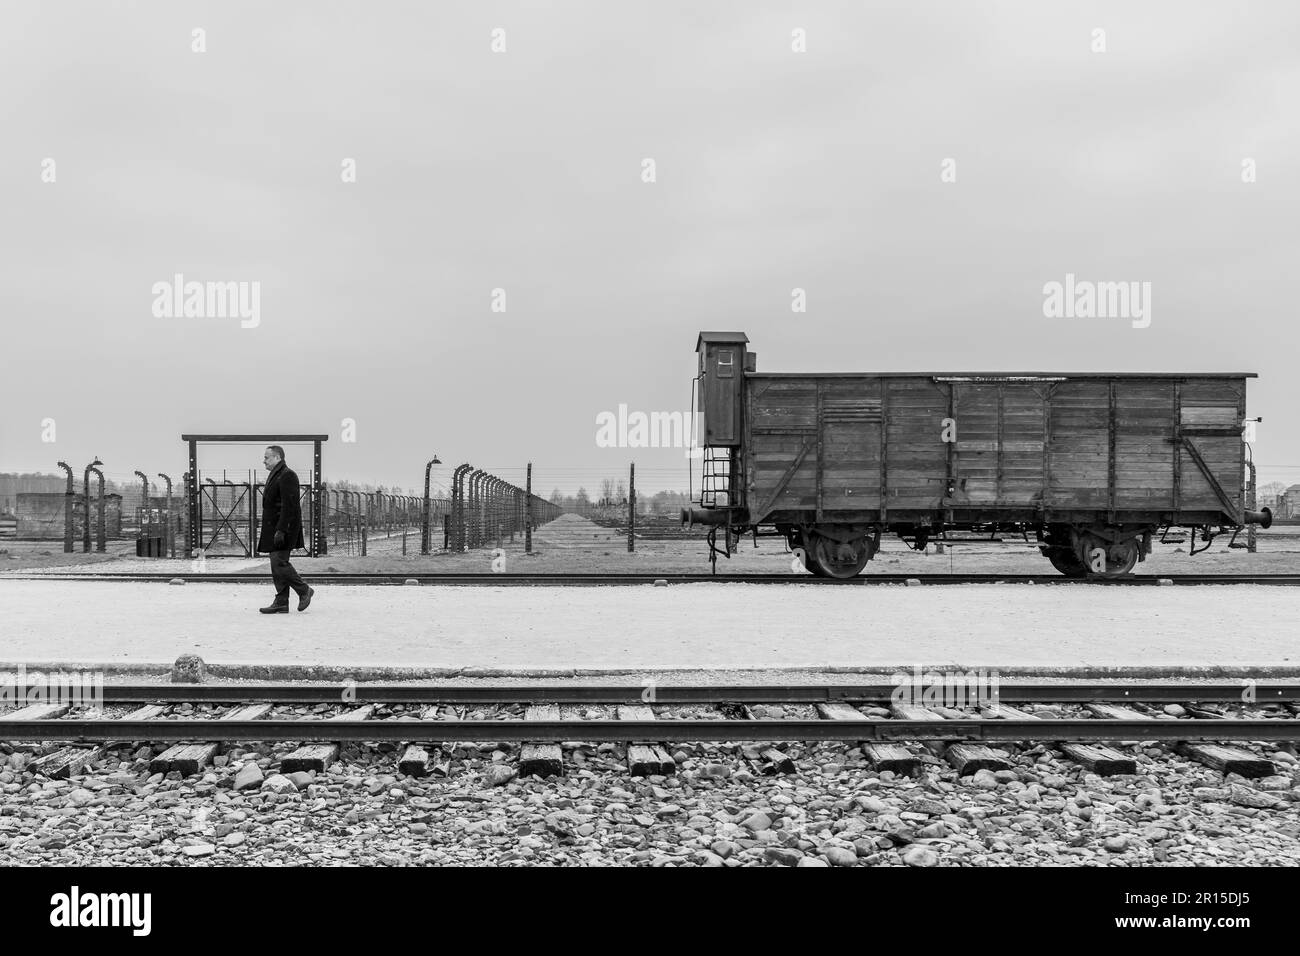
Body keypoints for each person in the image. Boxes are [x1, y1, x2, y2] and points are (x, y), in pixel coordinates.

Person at [256, 445, 314, 613]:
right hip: (274, 528)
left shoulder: (287, 475)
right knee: (276, 564)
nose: (264, 461)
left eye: (267, 457)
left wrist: (281, 530)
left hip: (283, 529)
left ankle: (304, 590)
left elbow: (290, 506)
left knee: (279, 562)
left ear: (277, 458)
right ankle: (282, 601)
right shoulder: (276, 475)